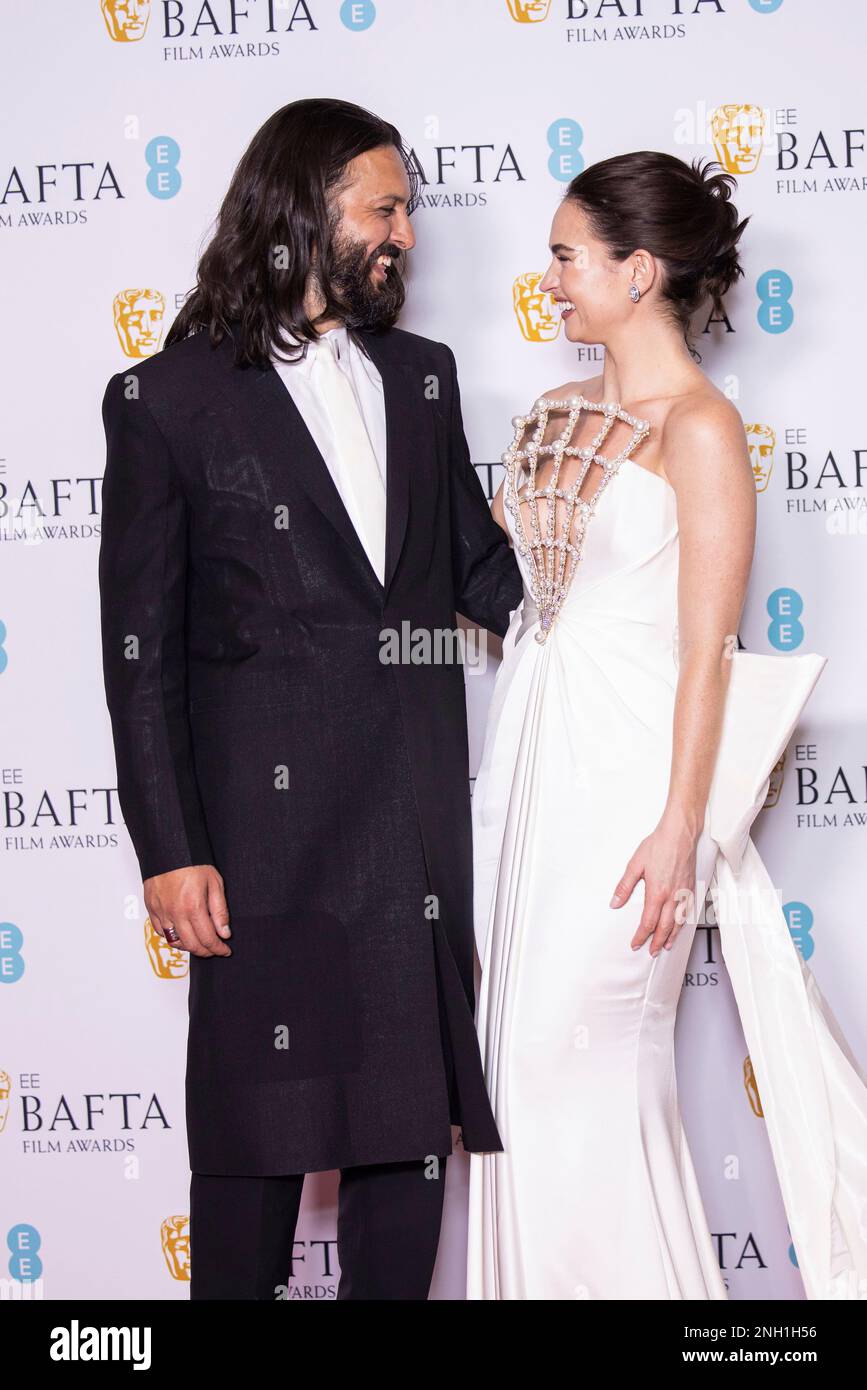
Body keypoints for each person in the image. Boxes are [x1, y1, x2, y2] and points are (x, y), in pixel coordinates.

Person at [98, 98, 522, 1301]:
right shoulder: (169, 400)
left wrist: (617, 549)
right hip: (263, 857)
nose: (407, 235)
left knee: (406, 1166)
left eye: (411, 212)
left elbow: (489, 580)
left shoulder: (423, 378)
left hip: (411, 848)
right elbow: (141, 653)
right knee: (248, 1179)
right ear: (302, 213)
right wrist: (170, 851)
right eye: (384, 209)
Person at [467, 151, 867, 1299]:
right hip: (531, 769)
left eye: (565, 255)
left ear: (638, 270)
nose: (546, 278)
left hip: (631, 796)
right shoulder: (547, 415)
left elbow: (708, 653)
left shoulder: (701, 429)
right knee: (512, 1069)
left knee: (577, 1066)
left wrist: (679, 826)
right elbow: (510, 592)